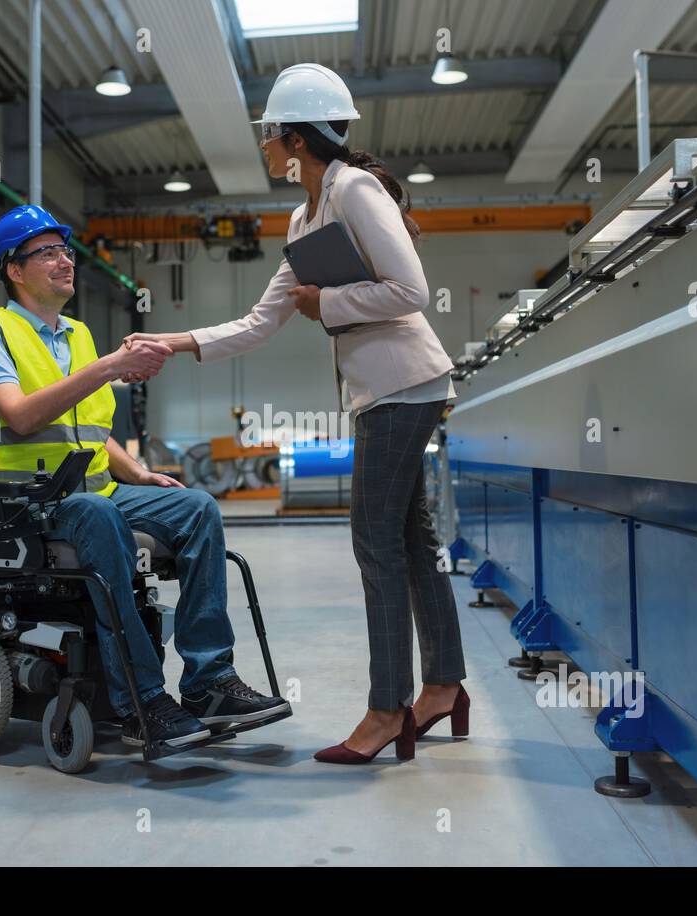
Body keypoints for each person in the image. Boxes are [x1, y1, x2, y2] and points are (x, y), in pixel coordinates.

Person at [124, 64, 469, 765]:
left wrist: (330, 304)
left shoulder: (355, 189)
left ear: (296, 140)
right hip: (388, 390)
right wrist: (176, 341)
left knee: (375, 542)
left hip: (404, 386)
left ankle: (385, 709)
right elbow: (258, 323)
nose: (264, 147)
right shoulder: (305, 216)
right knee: (408, 539)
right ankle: (441, 687)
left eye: (270, 136)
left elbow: (412, 289)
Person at [0, 204, 290, 750]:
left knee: (196, 507)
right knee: (99, 514)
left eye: (66, 250)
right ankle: (142, 701)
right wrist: (108, 367)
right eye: (48, 252)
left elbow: (89, 431)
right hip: (20, 505)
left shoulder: (77, 335)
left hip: (86, 495)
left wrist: (141, 474)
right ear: (14, 269)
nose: (65, 260)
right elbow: (21, 416)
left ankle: (208, 681)